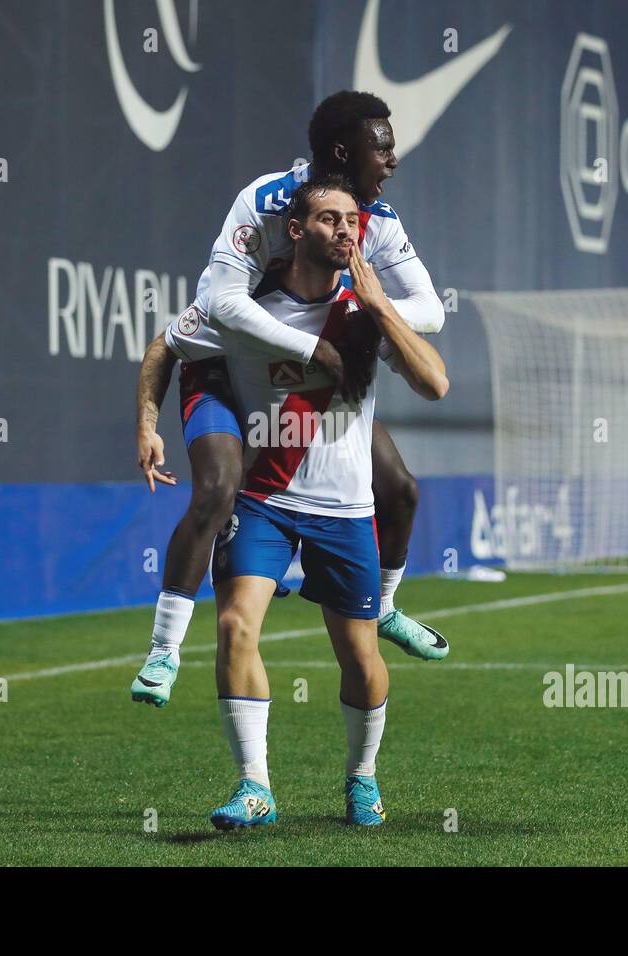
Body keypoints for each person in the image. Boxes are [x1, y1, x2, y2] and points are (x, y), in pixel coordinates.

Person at [132, 91, 448, 709]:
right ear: (340, 153)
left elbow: (431, 313)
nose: (392, 158)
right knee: (221, 485)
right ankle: (165, 647)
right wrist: (148, 421)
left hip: (304, 382)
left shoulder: (375, 220)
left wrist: (363, 311)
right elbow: (211, 312)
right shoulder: (266, 200)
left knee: (400, 488)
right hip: (228, 373)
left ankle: (382, 606)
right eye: (380, 146)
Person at [149, 175, 448, 827]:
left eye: (354, 221)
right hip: (264, 501)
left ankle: (361, 777)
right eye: (329, 220)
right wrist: (153, 425)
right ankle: (255, 786)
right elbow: (170, 346)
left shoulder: (364, 314)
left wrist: (383, 308)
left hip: (343, 508)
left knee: (361, 659)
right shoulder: (242, 311)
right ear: (294, 230)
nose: (346, 230)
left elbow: (435, 384)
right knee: (233, 627)